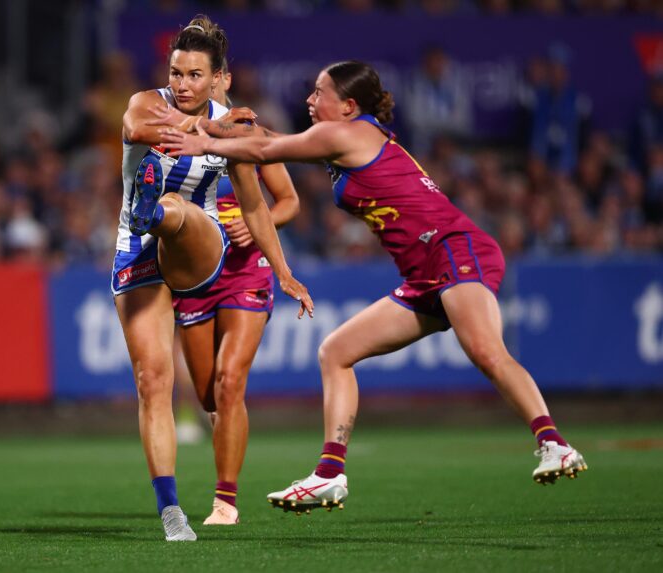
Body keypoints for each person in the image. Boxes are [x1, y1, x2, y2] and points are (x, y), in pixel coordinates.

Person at [155, 60, 587, 514]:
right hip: (424, 274)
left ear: (348, 105)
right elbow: (268, 139)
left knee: (485, 350)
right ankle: (329, 474)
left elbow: (265, 149)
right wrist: (213, 125)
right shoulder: (338, 137)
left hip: (453, 249)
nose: (309, 100)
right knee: (336, 353)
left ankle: (553, 443)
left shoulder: (349, 133)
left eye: (319, 92)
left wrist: (203, 140)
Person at [113, 15, 312, 541]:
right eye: (176, 73)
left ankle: (157, 211)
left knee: (181, 210)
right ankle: (171, 513)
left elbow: (258, 205)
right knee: (154, 381)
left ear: (217, 78)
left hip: (202, 248)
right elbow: (136, 130)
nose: (181, 84)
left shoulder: (234, 129)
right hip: (137, 256)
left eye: (194, 75)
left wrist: (284, 271)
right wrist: (212, 131)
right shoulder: (147, 102)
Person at [172, 61, 300, 525]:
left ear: (224, 80)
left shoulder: (253, 136)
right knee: (210, 396)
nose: (196, 84)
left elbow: (288, 202)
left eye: (207, 76)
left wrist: (257, 223)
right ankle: (225, 428)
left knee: (230, 381)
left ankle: (225, 501)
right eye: (185, 76)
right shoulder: (178, 134)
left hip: (247, 272)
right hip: (194, 278)